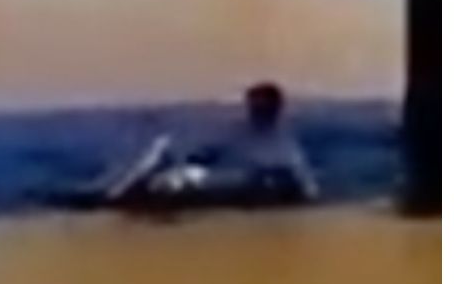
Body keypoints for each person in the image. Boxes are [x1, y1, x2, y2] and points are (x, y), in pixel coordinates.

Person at [94, 81, 318, 208]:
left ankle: (123, 195)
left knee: (173, 181)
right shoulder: (240, 131)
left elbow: (299, 176)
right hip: (218, 177)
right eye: (252, 106)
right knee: (169, 162)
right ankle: (121, 191)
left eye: (260, 107)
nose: (254, 111)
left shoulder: (281, 142)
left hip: (230, 184)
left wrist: (308, 195)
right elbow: (214, 153)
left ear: (275, 109)